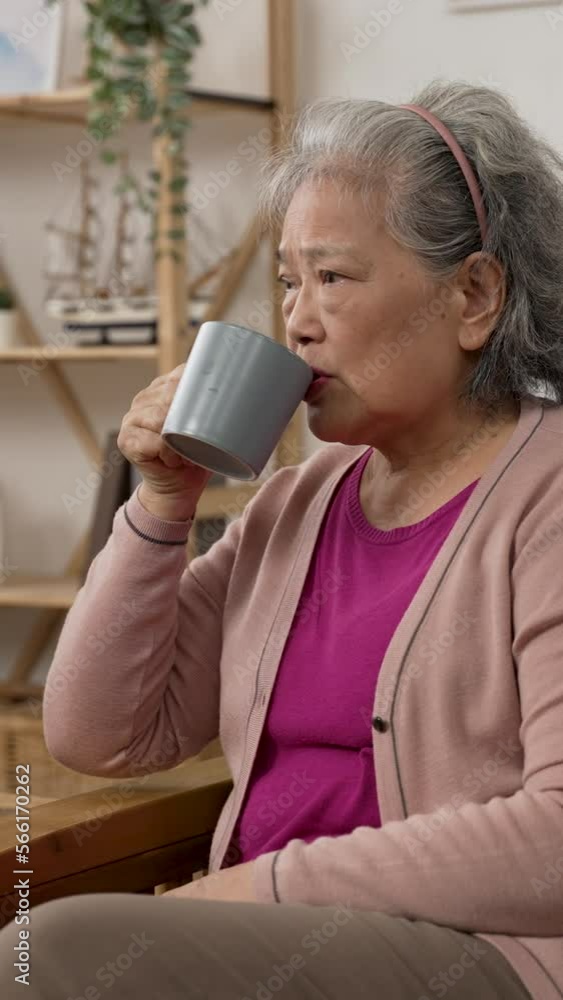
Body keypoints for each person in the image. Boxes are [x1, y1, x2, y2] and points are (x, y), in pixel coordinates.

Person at [2, 78, 563, 999]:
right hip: (268, 946)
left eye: (332, 278)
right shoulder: (293, 506)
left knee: (51, 952)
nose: (296, 322)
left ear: (472, 295)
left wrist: (253, 889)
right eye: (288, 282)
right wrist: (161, 505)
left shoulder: (545, 501)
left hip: (482, 956)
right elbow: (101, 735)